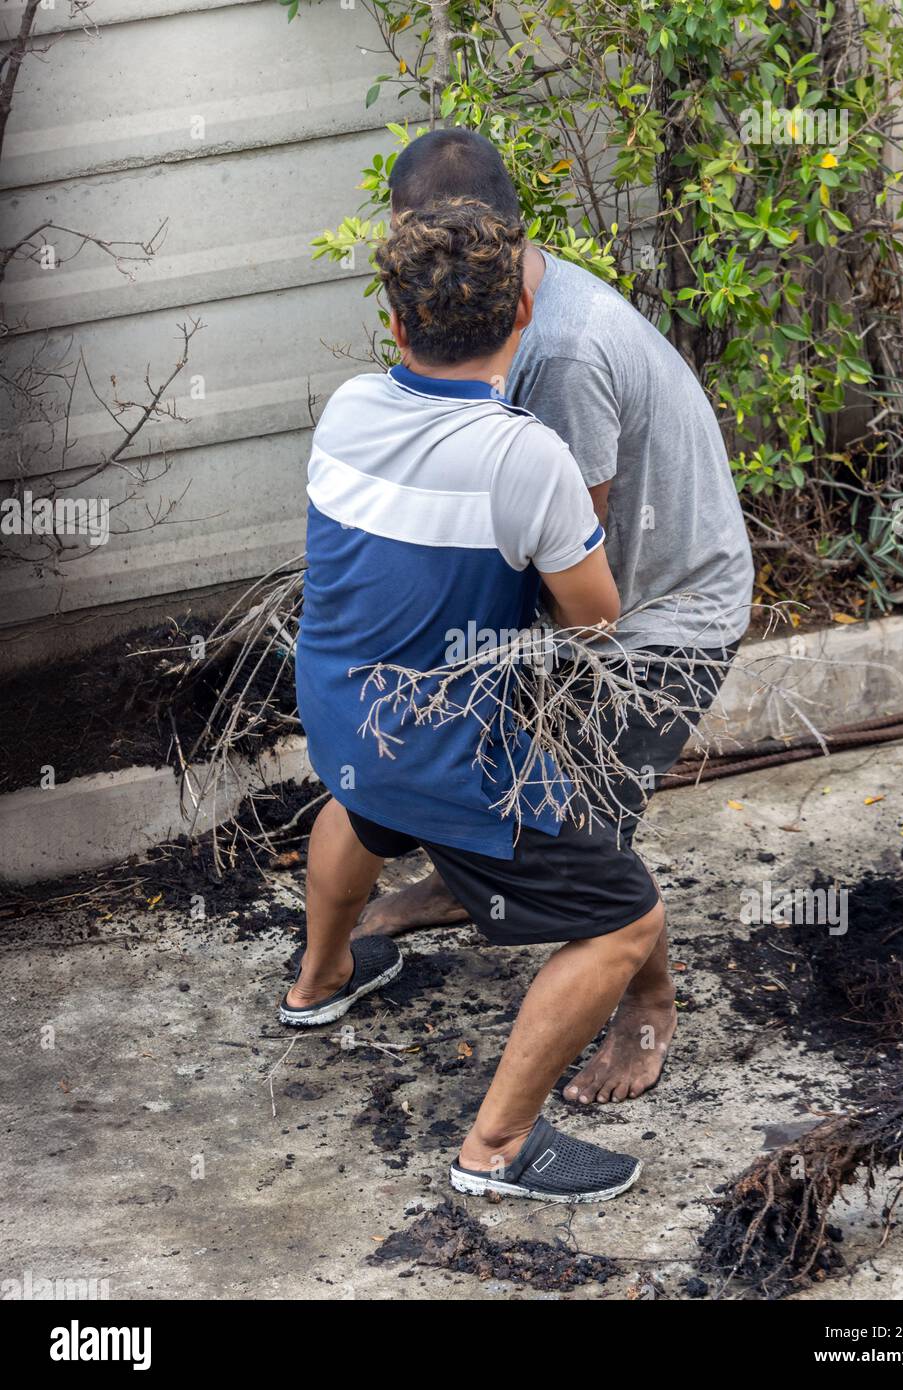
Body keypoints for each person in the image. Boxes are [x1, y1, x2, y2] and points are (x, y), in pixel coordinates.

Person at [355, 128, 755, 1107]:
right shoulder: (478, 306)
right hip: (587, 591)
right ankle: (465, 882)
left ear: (509, 248)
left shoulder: (565, 353)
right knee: (473, 737)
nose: (425, 274)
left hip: (661, 613)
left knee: (582, 821)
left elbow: (579, 572)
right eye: (415, 249)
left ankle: (646, 1006)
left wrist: (467, 645)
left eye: (442, 248)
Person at [283, 197, 665, 1202]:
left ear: (397, 328)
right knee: (625, 918)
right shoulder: (526, 454)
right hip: (445, 756)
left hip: (338, 720)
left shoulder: (349, 406)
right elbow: (593, 617)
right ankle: (497, 1149)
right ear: (521, 323)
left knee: (359, 804)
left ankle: (319, 981)